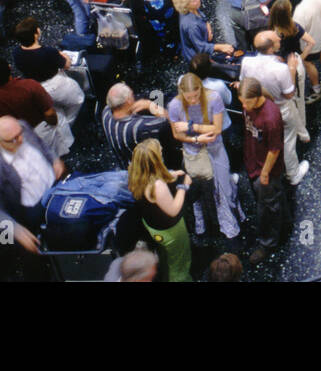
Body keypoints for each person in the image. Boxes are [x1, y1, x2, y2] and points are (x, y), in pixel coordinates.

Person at [168, 72, 241, 240]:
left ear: (201, 89)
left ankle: (229, 224)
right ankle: (204, 227)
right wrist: (196, 137)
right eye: (189, 97)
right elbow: (176, 134)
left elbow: (216, 129)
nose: (193, 100)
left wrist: (190, 126)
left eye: (196, 96)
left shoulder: (213, 98)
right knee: (198, 192)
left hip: (214, 148)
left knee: (223, 187)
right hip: (193, 152)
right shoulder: (174, 105)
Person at [0, 116, 65, 256]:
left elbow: (41, 144)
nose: (21, 140)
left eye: (20, 134)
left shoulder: (22, 127)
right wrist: (14, 229)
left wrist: (54, 159)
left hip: (55, 185)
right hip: (35, 208)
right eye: (13, 139)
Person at [237, 77, 290, 264]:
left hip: (265, 169)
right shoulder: (249, 105)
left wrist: (265, 173)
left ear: (258, 97)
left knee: (266, 207)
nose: (243, 105)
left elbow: (274, 149)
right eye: (241, 101)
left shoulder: (271, 117)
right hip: (253, 159)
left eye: (246, 102)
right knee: (274, 197)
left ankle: (268, 243)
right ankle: (285, 222)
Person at [128, 138, 193, 282]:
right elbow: (174, 210)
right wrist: (184, 186)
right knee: (179, 262)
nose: (162, 153)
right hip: (171, 231)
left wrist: (170, 175)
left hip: (153, 227)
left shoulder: (135, 173)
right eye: (160, 152)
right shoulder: (157, 186)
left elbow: (155, 177)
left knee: (165, 255)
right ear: (155, 159)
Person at [102, 83, 171, 167]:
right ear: (128, 101)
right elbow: (172, 124)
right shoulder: (141, 126)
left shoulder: (106, 114)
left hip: (127, 167)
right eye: (132, 95)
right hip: (149, 174)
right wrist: (150, 105)